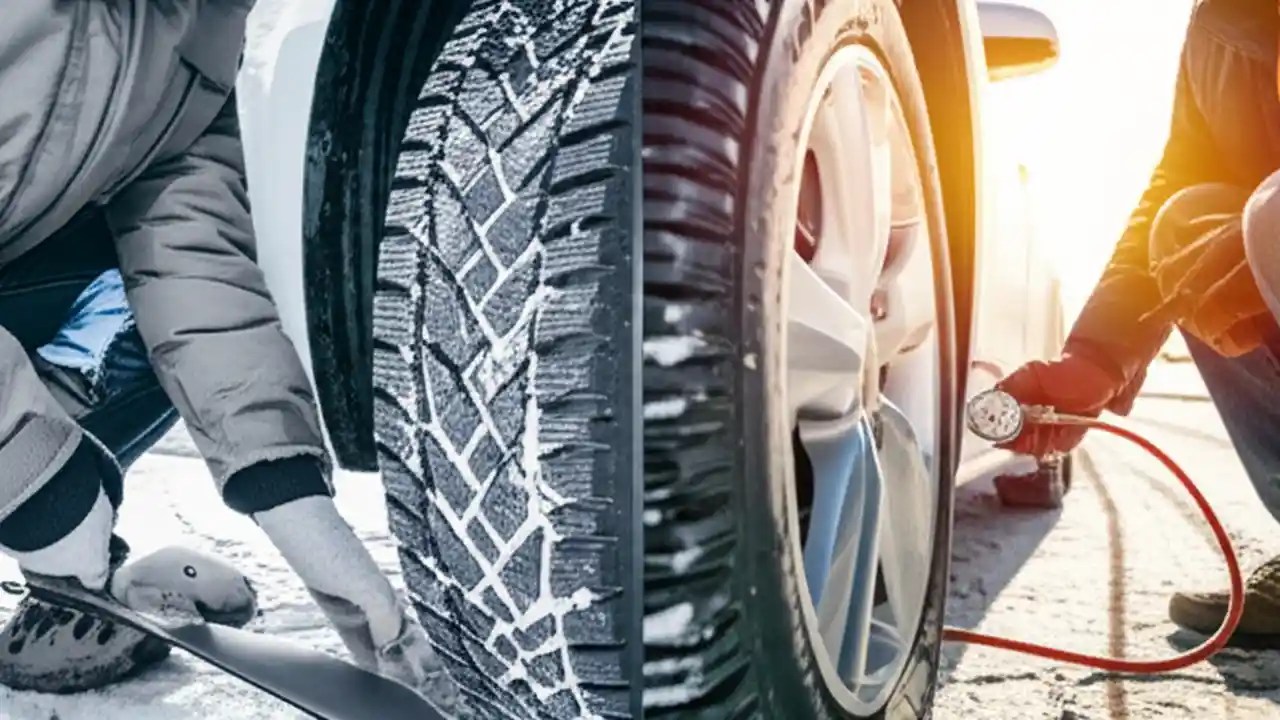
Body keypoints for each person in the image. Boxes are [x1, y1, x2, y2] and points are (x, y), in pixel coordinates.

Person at [0, 1, 453, 702]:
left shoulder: (202, 27)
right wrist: (30, 475)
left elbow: (194, 270)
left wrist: (307, 523)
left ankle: (71, 568)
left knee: (138, 302)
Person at [998, 0, 1280, 646]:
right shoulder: (1226, 23)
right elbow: (1185, 170)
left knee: (1268, 218)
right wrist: (1098, 358)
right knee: (1185, 228)